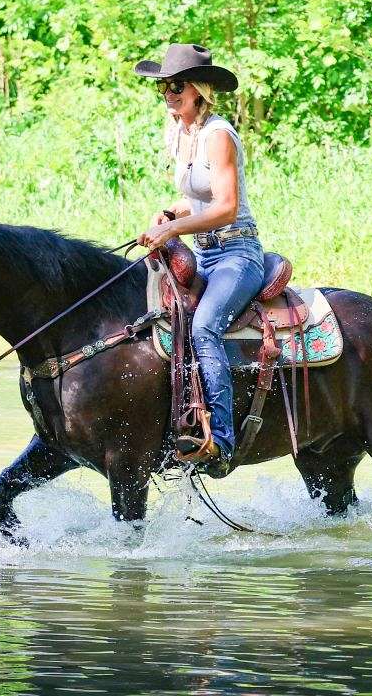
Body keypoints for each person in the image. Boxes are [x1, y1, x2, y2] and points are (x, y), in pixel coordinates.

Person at [135, 43, 264, 470]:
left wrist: (171, 229)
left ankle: (222, 441)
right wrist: (174, 211)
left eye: (178, 85)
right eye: (164, 87)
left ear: (199, 90)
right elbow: (199, 200)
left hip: (237, 253)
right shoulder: (184, 134)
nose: (170, 93)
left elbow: (226, 206)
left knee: (206, 326)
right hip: (207, 255)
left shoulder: (218, 135)